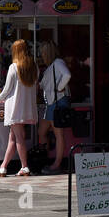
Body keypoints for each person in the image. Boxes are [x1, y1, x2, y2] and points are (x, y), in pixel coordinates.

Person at [0, 38, 40, 177]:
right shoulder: (34, 67)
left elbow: (7, 89)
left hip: (14, 108)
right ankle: (3, 167)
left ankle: (24, 167)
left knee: (18, 138)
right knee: (13, 138)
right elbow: (35, 87)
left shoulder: (13, 67)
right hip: (27, 108)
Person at [37, 40, 74, 172]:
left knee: (58, 134)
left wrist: (59, 87)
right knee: (41, 131)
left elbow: (67, 75)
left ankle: (56, 164)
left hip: (57, 102)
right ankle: (45, 159)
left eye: (43, 52)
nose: (41, 54)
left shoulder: (58, 63)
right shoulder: (53, 65)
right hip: (52, 103)